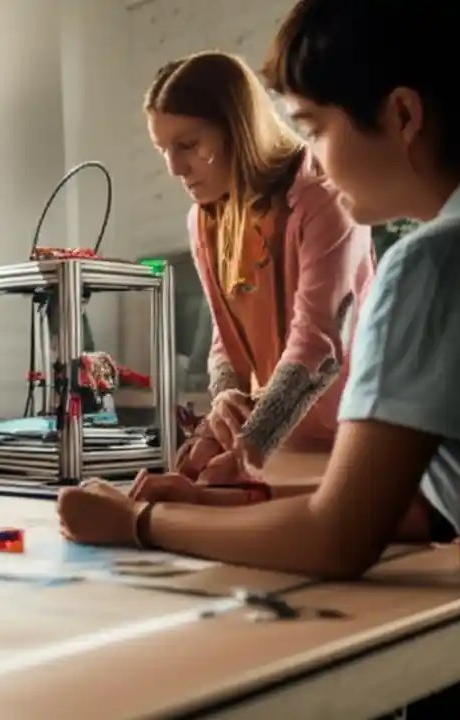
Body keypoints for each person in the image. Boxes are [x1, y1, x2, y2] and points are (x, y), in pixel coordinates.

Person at [58, 0, 460, 580]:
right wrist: (217, 497)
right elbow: (429, 509)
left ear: (403, 114)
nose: (315, 156)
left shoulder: (429, 265)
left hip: (328, 444)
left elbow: (339, 535)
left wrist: (139, 520)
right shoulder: (206, 221)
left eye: (315, 129)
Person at [144, 51, 373, 482]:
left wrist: (248, 445)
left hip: (359, 437)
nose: (174, 167)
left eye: (188, 145)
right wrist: (224, 397)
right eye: (163, 150)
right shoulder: (203, 219)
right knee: (193, 476)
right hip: (284, 439)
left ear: (238, 130)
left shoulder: (323, 196)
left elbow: (319, 345)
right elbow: (224, 334)